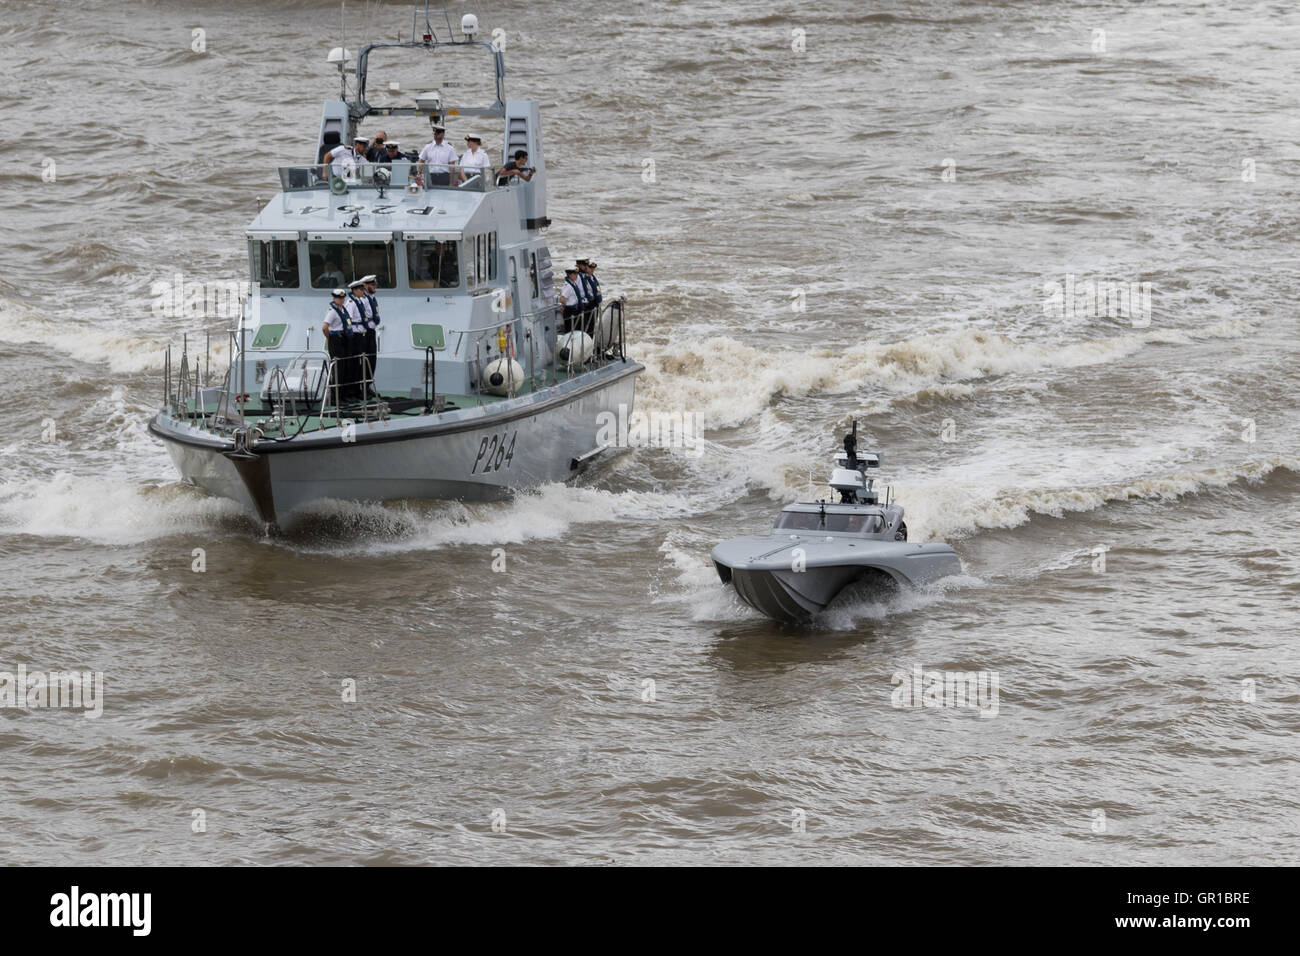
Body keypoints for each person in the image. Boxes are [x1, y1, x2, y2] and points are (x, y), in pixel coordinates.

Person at [320, 289, 351, 404]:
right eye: (339, 297)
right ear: (334, 298)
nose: (341, 299)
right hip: (335, 339)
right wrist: (330, 338)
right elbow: (324, 327)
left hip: (343, 339)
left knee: (345, 368)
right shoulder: (332, 311)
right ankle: (336, 397)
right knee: (338, 369)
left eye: (343, 298)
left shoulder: (342, 310)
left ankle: (343, 394)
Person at [344, 279, 373, 399]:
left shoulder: (359, 301)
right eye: (361, 289)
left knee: (360, 363)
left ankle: (358, 389)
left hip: (361, 334)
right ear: (355, 290)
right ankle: (352, 391)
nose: (363, 291)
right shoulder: (351, 303)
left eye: (363, 289)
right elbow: (348, 319)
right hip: (355, 335)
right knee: (354, 364)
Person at [360, 274, 382, 396]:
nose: (375, 286)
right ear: (366, 286)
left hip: (371, 332)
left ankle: (367, 385)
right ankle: (360, 387)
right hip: (364, 332)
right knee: (364, 360)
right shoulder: (362, 300)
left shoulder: (372, 299)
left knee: (372, 360)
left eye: (375, 284)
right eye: (372, 285)